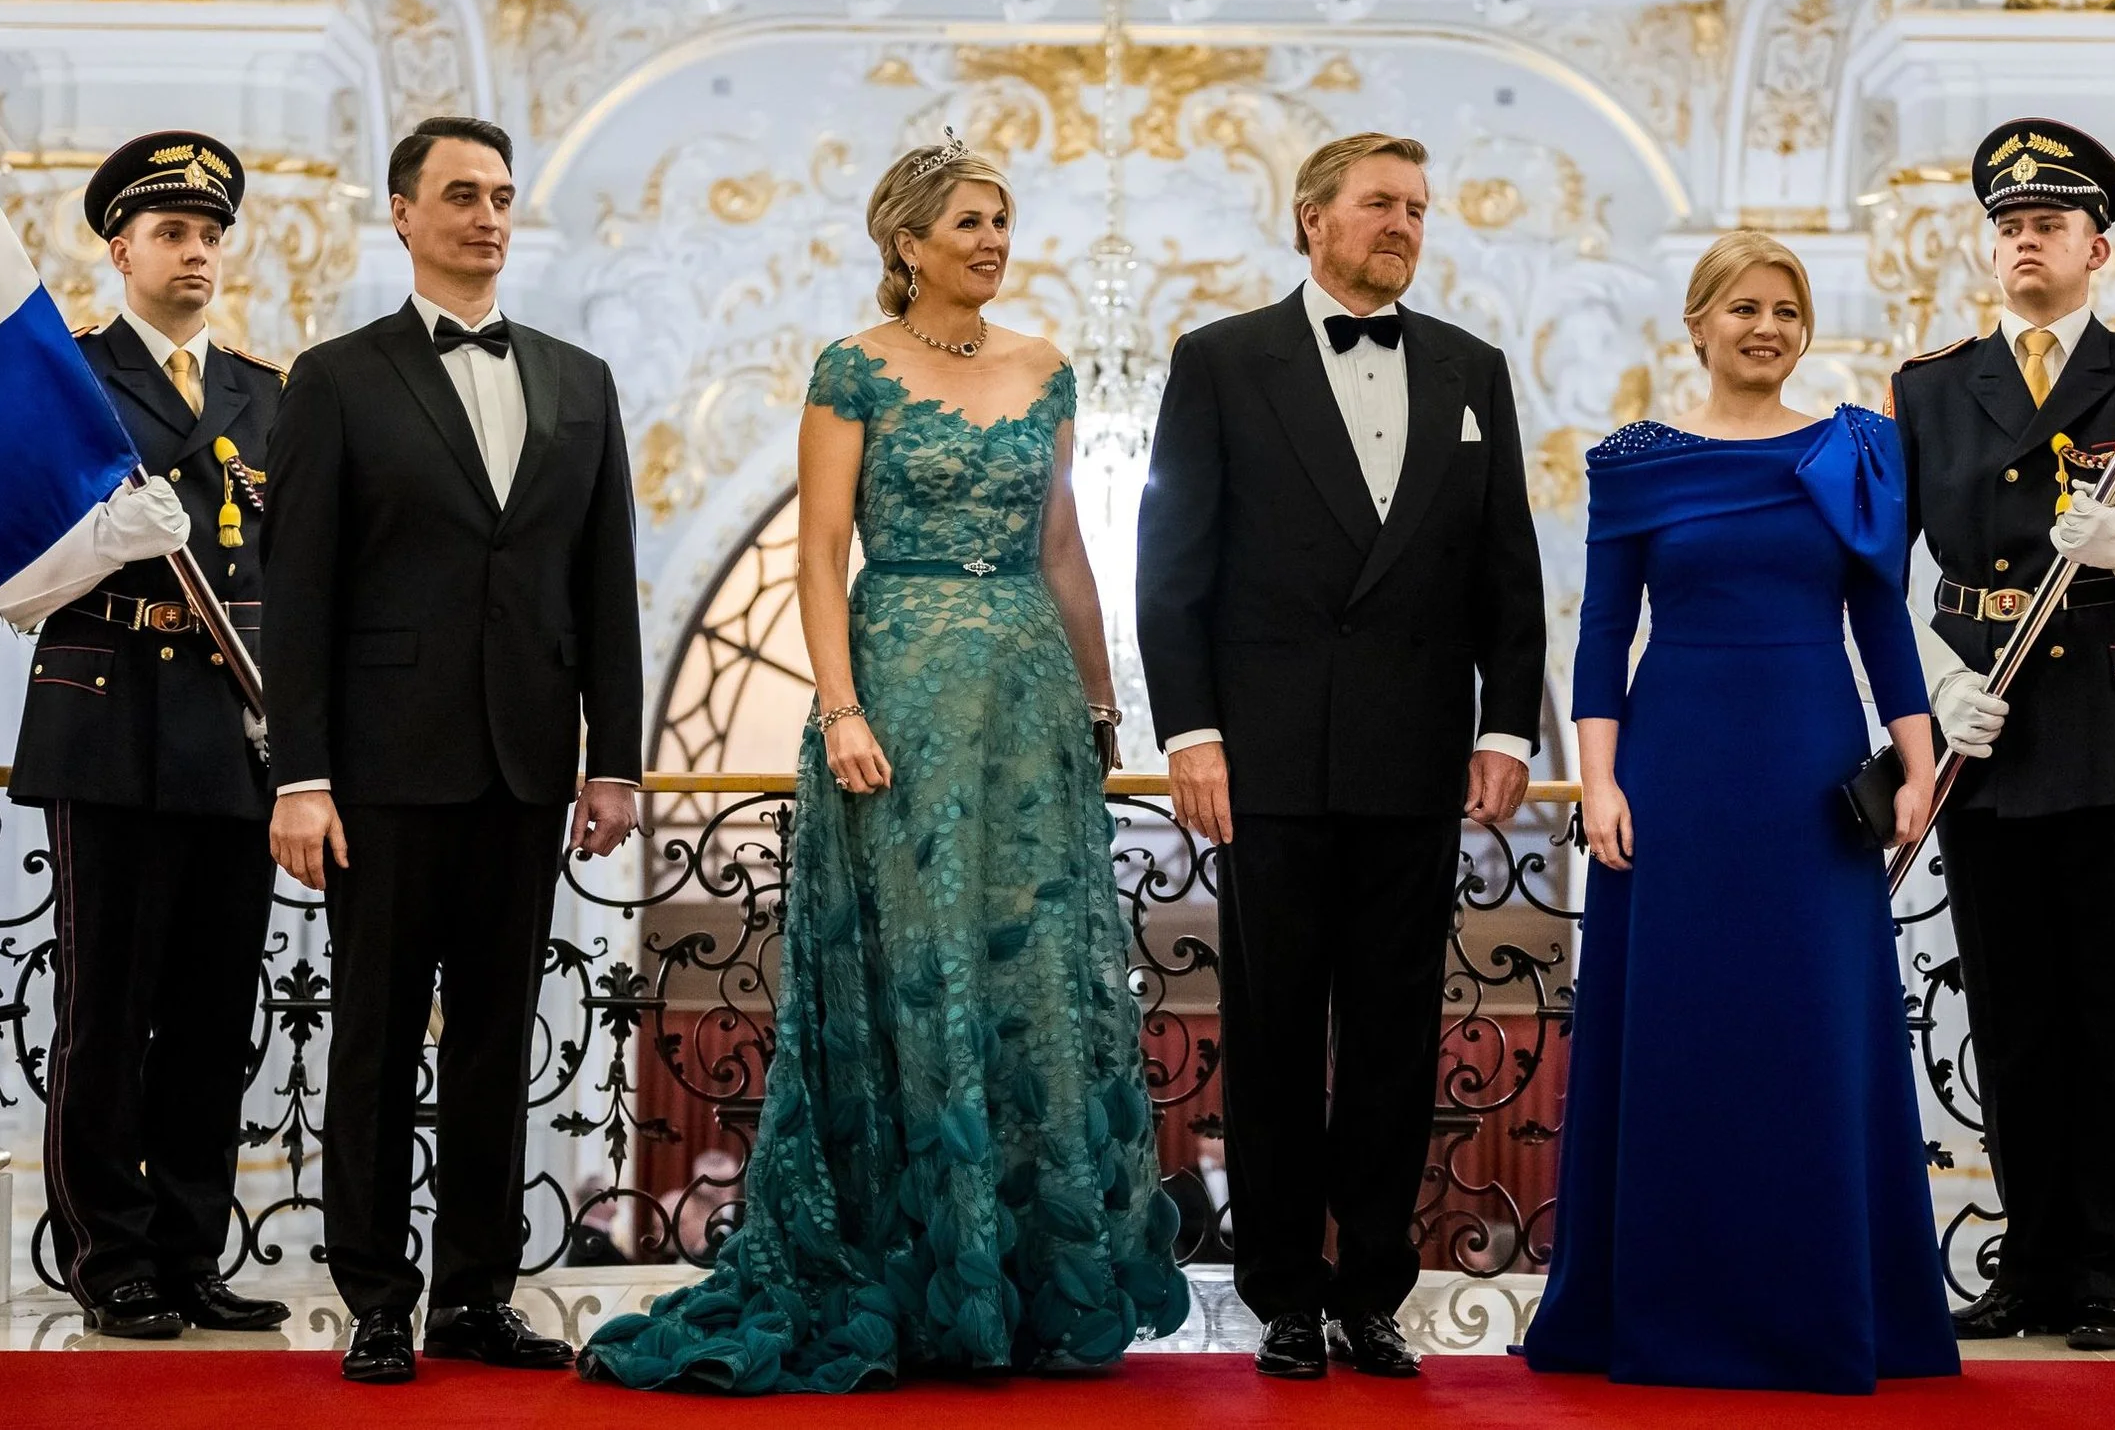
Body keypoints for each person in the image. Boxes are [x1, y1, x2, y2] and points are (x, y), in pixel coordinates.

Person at [578, 133, 1188, 1395]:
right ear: (908, 242)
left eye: (1002, 220)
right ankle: (912, 1267)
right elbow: (818, 554)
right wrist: (841, 706)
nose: (993, 241)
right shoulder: (851, 368)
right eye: (969, 221)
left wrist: (1099, 700)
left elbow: (1063, 547)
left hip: (1026, 695)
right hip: (898, 688)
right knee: (916, 968)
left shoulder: (1048, 367)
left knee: (1030, 976)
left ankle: (1024, 1273)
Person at [1135, 133, 1547, 1381]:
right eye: (1379, 204)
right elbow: (1173, 563)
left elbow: (1507, 568)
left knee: (1394, 1038)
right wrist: (1191, 734)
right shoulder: (1219, 360)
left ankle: (1372, 1291)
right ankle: (1281, 1294)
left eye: (1417, 207)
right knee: (1267, 1033)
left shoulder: (1472, 368)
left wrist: (1504, 726)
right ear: (1310, 219)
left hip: (1415, 755)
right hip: (1264, 762)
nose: (1403, 224)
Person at [1518, 232, 1959, 1393]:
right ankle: (1663, 1311)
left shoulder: (1855, 448)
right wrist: (1599, 782)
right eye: (1745, 308)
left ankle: (1822, 1311)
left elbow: (1883, 622)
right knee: (1681, 1029)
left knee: (1815, 1027)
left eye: (1786, 311)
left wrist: (1919, 768)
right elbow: (1602, 632)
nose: (1767, 328)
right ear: (1697, 324)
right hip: (1675, 769)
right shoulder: (1632, 461)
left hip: (1811, 767)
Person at [263, 115, 645, 1384]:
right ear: (403, 215)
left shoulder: (580, 380)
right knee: (374, 1041)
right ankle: (377, 1298)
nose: (487, 217)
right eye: (462, 195)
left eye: (501, 196)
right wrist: (300, 776)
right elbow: (297, 593)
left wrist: (614, 758)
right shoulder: (334, 378)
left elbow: (607, 586)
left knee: (495, 1041)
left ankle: (476, 1295)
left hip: (527, 766)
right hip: (379, 770)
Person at [1891, 120, 2115, 1351]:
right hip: (1987, 726)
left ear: (2098, 247)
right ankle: (2029, 1264)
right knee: (2011, 1010)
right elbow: (1888, 575)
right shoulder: (1930, 388)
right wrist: (1938, 689)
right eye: (2008, 226)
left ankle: (2105, 1272)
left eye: (2048, 224)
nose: (2023, 241)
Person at [0, 130, 289, 1340]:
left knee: (215, 1013)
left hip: (231, 728)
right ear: (120, 250)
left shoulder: (265, 395)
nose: (196, 252)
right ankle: (107, 1256)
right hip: (107, 720)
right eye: (171, 232)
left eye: (210, 234)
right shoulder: (67, 380)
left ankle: (190, 1253)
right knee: (107, 1009)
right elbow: (6, 584)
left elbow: (291, 574)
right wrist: (105, 542)